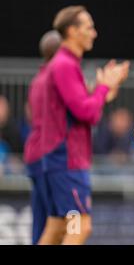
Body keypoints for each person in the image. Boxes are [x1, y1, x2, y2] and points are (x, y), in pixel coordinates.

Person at [36, 6, 129, 245]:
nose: (94, 33)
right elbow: (86, 112)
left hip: (58, 162)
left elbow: (86, 109)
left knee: (56, 227)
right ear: (72, 31)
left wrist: (105, 90)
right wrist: (104, 87)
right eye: (89, 27)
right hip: (67, 164)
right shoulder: (65, 65)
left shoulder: (63, 64)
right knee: (80, 228)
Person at [23, 30, 62, 245]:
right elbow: (82, 113)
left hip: (36, 155)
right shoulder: (55, 79)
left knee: (42, 222)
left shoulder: (39, 78)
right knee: (62, 223)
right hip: (51, 157)